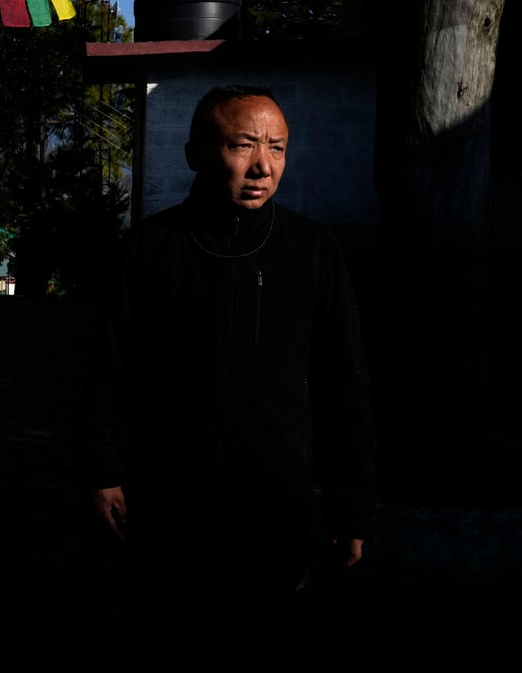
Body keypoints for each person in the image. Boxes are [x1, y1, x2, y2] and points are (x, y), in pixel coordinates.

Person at [80, 84, 376, 670]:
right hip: (165, 502)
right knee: (158, 645)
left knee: (264, 650)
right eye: (243, 145)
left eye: (277, 147)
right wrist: (101, 470)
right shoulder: (149, 248)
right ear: (196, 154)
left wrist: (352, 505)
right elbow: (105, 368)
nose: (263, 165)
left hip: (274, 508)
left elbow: (346, 387)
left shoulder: (313, 252)